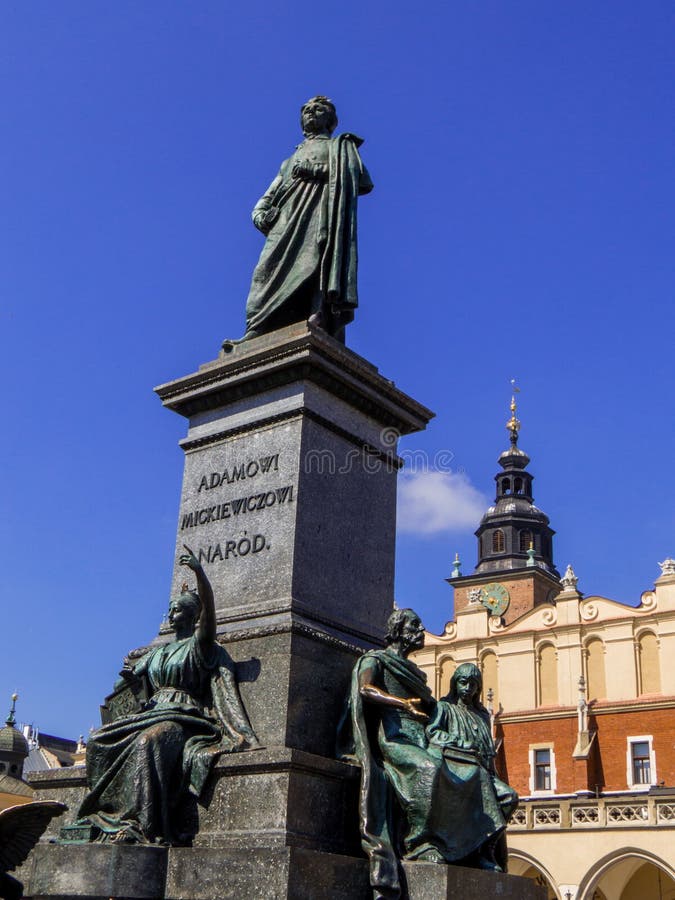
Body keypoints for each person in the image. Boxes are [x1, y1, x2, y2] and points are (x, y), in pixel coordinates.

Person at [75, 545, 258, 845]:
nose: (170, 613)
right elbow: (133, 683)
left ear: (190, 615)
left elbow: (210, 613)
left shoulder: (200, 645)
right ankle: (103, 815)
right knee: (97, 741)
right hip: (150, 712)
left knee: (151, 741)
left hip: (184, 717)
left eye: (176, 609)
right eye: (171, 609)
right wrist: (128, 678)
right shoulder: (158, 652)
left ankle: (140, 823)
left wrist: (200, 574)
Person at [224, 96, 373, 348]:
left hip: (320, 217)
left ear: (331, 120)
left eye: (319, 110)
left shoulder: (339, 147)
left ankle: (318, 316)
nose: (311, 113)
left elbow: (361, 180)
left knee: (318, 262)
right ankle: (258, 325)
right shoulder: (289, 160)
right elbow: (270, 194)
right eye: (307, 110)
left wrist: (314, 172)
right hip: (286, 222)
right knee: (264, 272)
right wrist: (259, 212)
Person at [426, 663, 519, 873]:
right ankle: (478, 854)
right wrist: (460, 742)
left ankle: (485, 850)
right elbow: (433, 733)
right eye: (463, 682)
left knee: (509, 797)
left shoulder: (482, 715)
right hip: (457, 770)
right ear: (455, 683)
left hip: (483, 772)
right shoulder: (445, 707)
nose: (468, 688)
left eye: (473, 684)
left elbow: (489, 750)